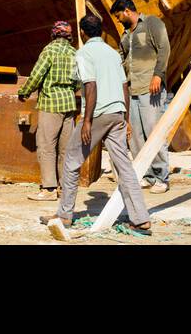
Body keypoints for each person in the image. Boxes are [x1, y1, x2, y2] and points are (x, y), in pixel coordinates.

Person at [45, 13, 152, 235]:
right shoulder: (113, 54)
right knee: (124, 167)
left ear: (82, 33)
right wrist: (126, 118)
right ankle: (141, 219)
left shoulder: (84, 53)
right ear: (101, 31)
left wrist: (86, 121)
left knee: (72, 162)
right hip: (118, 113)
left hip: (97, 114)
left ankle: (64, 215)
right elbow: (125, 87)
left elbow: (90, 86)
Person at [112, 0, 171, 192]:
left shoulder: (152, 23)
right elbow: (122, 60)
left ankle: (162, 177)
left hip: (150, 88)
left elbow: (164, 48)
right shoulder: (125, 36)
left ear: (127, 11)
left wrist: (158, 75)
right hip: (132, 89)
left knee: (153, 133)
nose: (118, 20)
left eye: (119, 16)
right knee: (135, 137)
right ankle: (147, 175)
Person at [16, 20, 78, 201]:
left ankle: (49, 189)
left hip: (51, 103)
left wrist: (24, 92)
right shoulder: (74, 53)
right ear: (69, 35)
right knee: (65, 149)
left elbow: (37, 75)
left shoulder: (49, 50)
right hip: (69, 104)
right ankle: (64, 189)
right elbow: (79, 80)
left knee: (46, 146)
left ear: (54, 34)